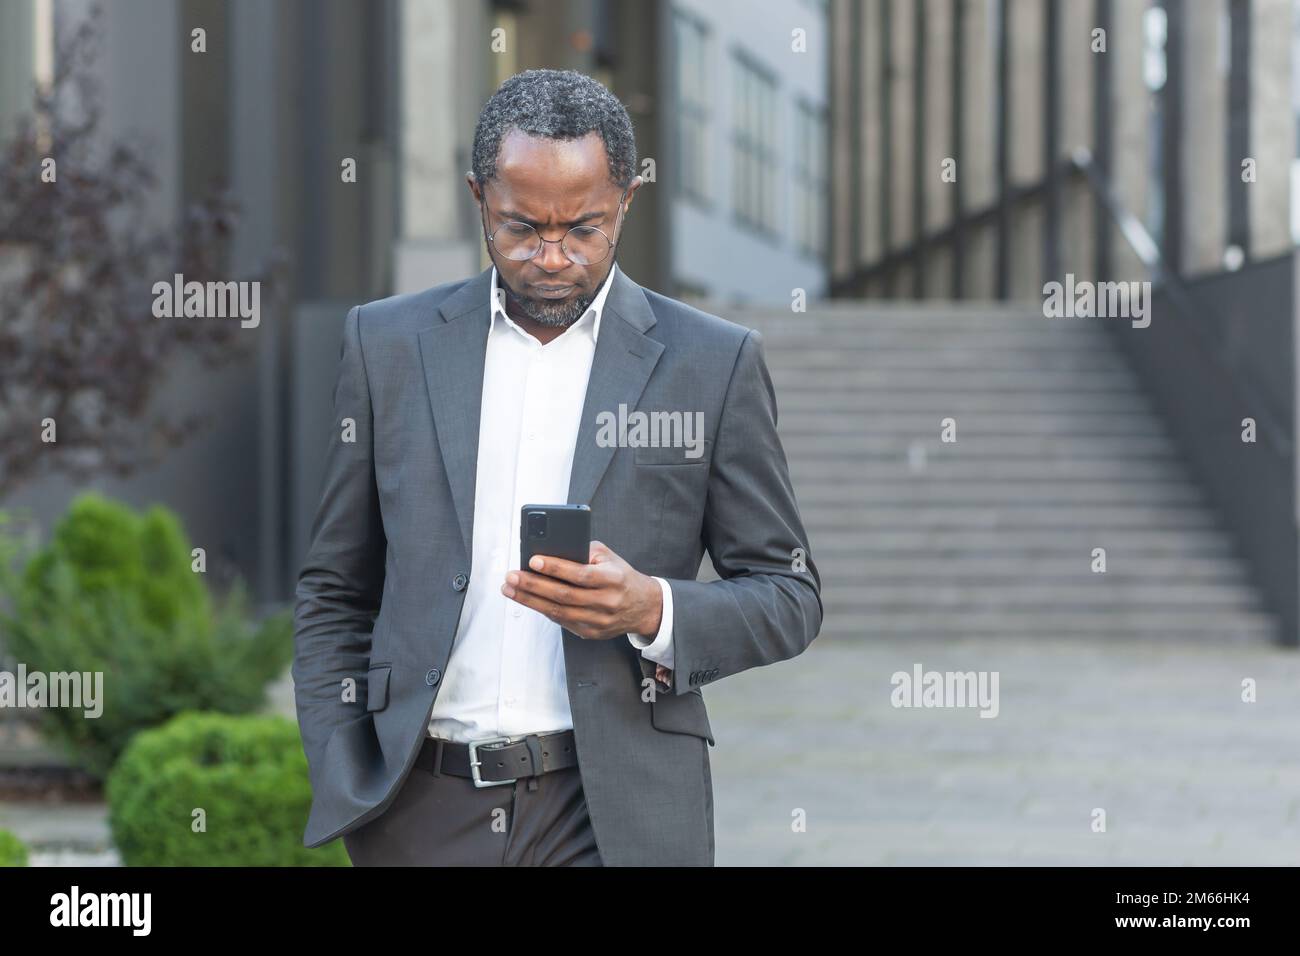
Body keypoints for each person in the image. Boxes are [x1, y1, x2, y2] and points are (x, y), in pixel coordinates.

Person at [292, 68, 822, 866]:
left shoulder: (712, 364)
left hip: (612, 813)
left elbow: (790, 595)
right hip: (420, 811)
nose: (551, 258)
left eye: (584, 229)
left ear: (627, 202)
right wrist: (344, 761)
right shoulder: (387, 346)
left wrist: (652, 609)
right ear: (479, 199)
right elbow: (336, 585)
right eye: (520, 228)